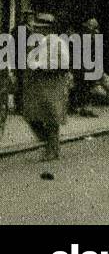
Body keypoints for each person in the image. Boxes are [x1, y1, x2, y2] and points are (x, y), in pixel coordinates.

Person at [20, 13, 73, 161]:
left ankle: (52, 149)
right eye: (37, 27)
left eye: (41, 27)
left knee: (51, 118)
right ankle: (49, 143)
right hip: (36, 85)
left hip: (53, 85)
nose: (37, 30)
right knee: (30, 116)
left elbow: (64, 63)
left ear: (49, 29)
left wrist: (43, 66)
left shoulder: (58, 42)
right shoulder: (34, 42)